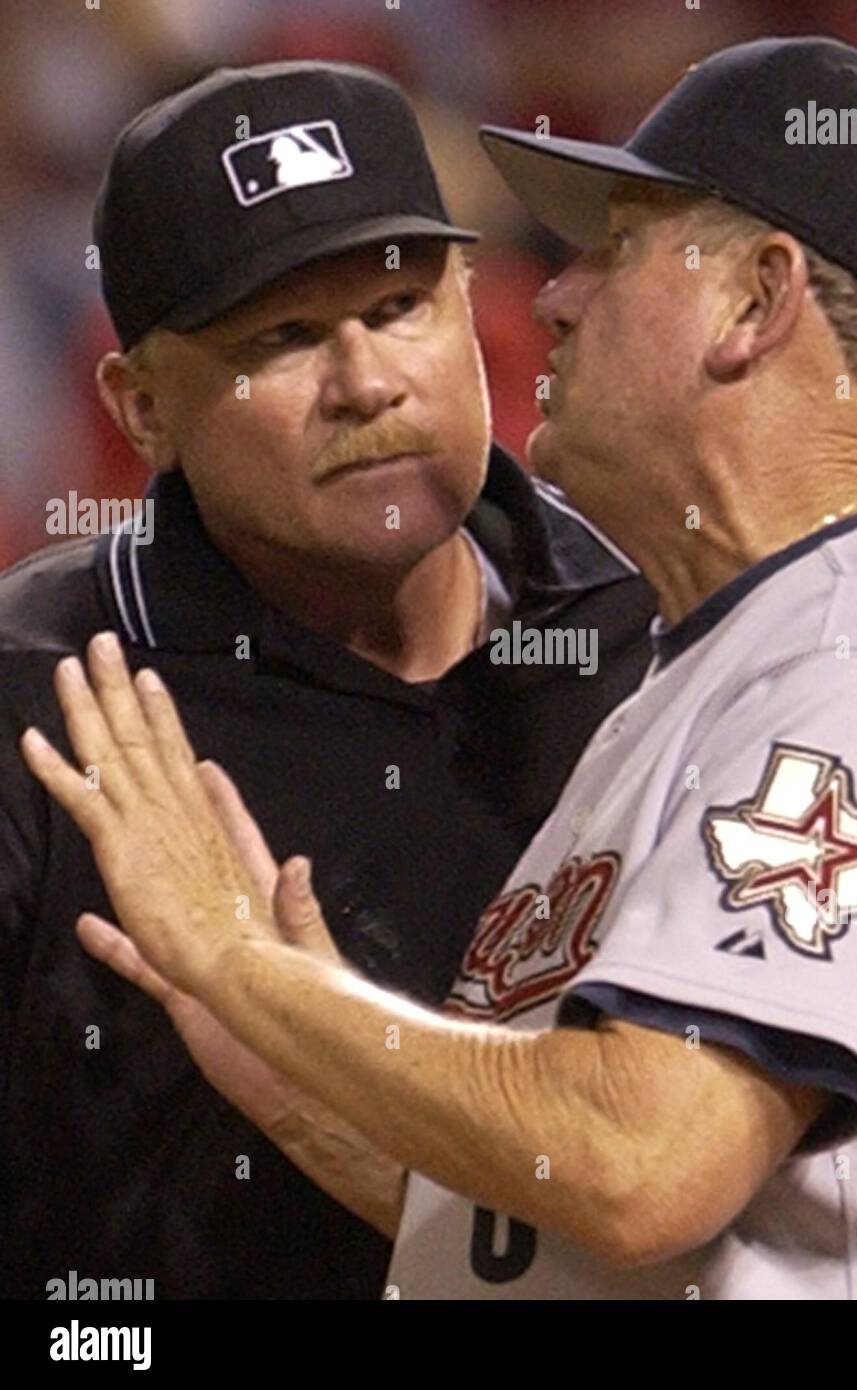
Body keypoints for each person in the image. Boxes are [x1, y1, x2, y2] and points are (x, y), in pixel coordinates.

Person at [23, 37, 857, 1300]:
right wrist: (298, 1062)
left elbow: (639, 1168)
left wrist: (241, 962)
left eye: (617, 247)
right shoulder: (714, 667)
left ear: (756, 300)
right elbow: (559, 1254)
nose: (558, 298)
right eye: (291, 335)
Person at [0, 60, 656, 1300]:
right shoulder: (39, 699)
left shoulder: (654, 633)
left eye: (403, 305)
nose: (367, 383)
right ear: (142, 409)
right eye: (285, 337)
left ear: (477, 310)